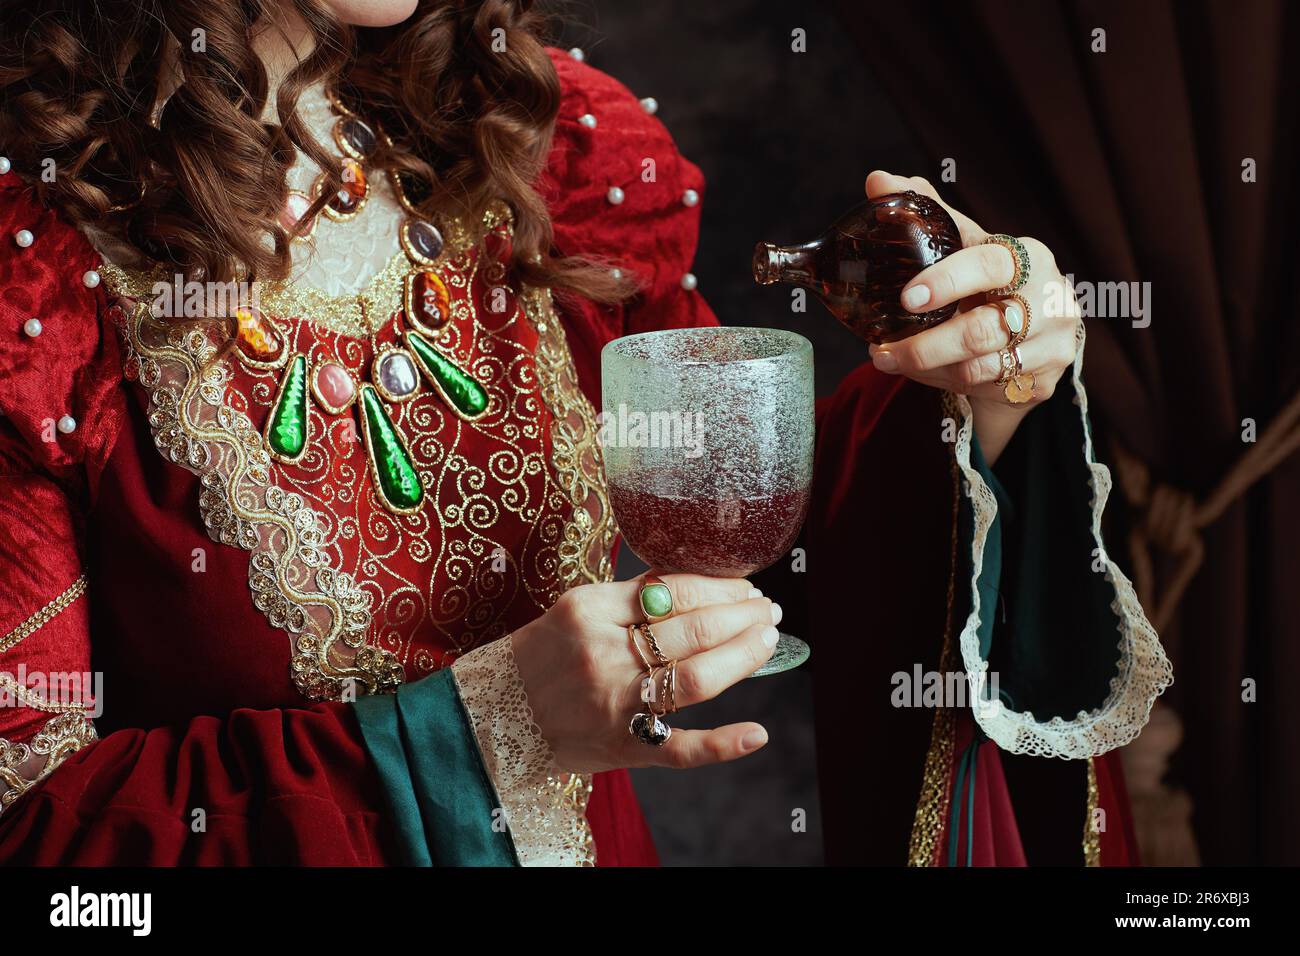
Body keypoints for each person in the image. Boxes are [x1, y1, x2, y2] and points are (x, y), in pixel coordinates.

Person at [0, 0, 1170, 866]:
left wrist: (978, 400)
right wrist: (473, 733)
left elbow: (741, 537)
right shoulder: (36, 287)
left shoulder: (533, 148)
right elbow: (34, 833)